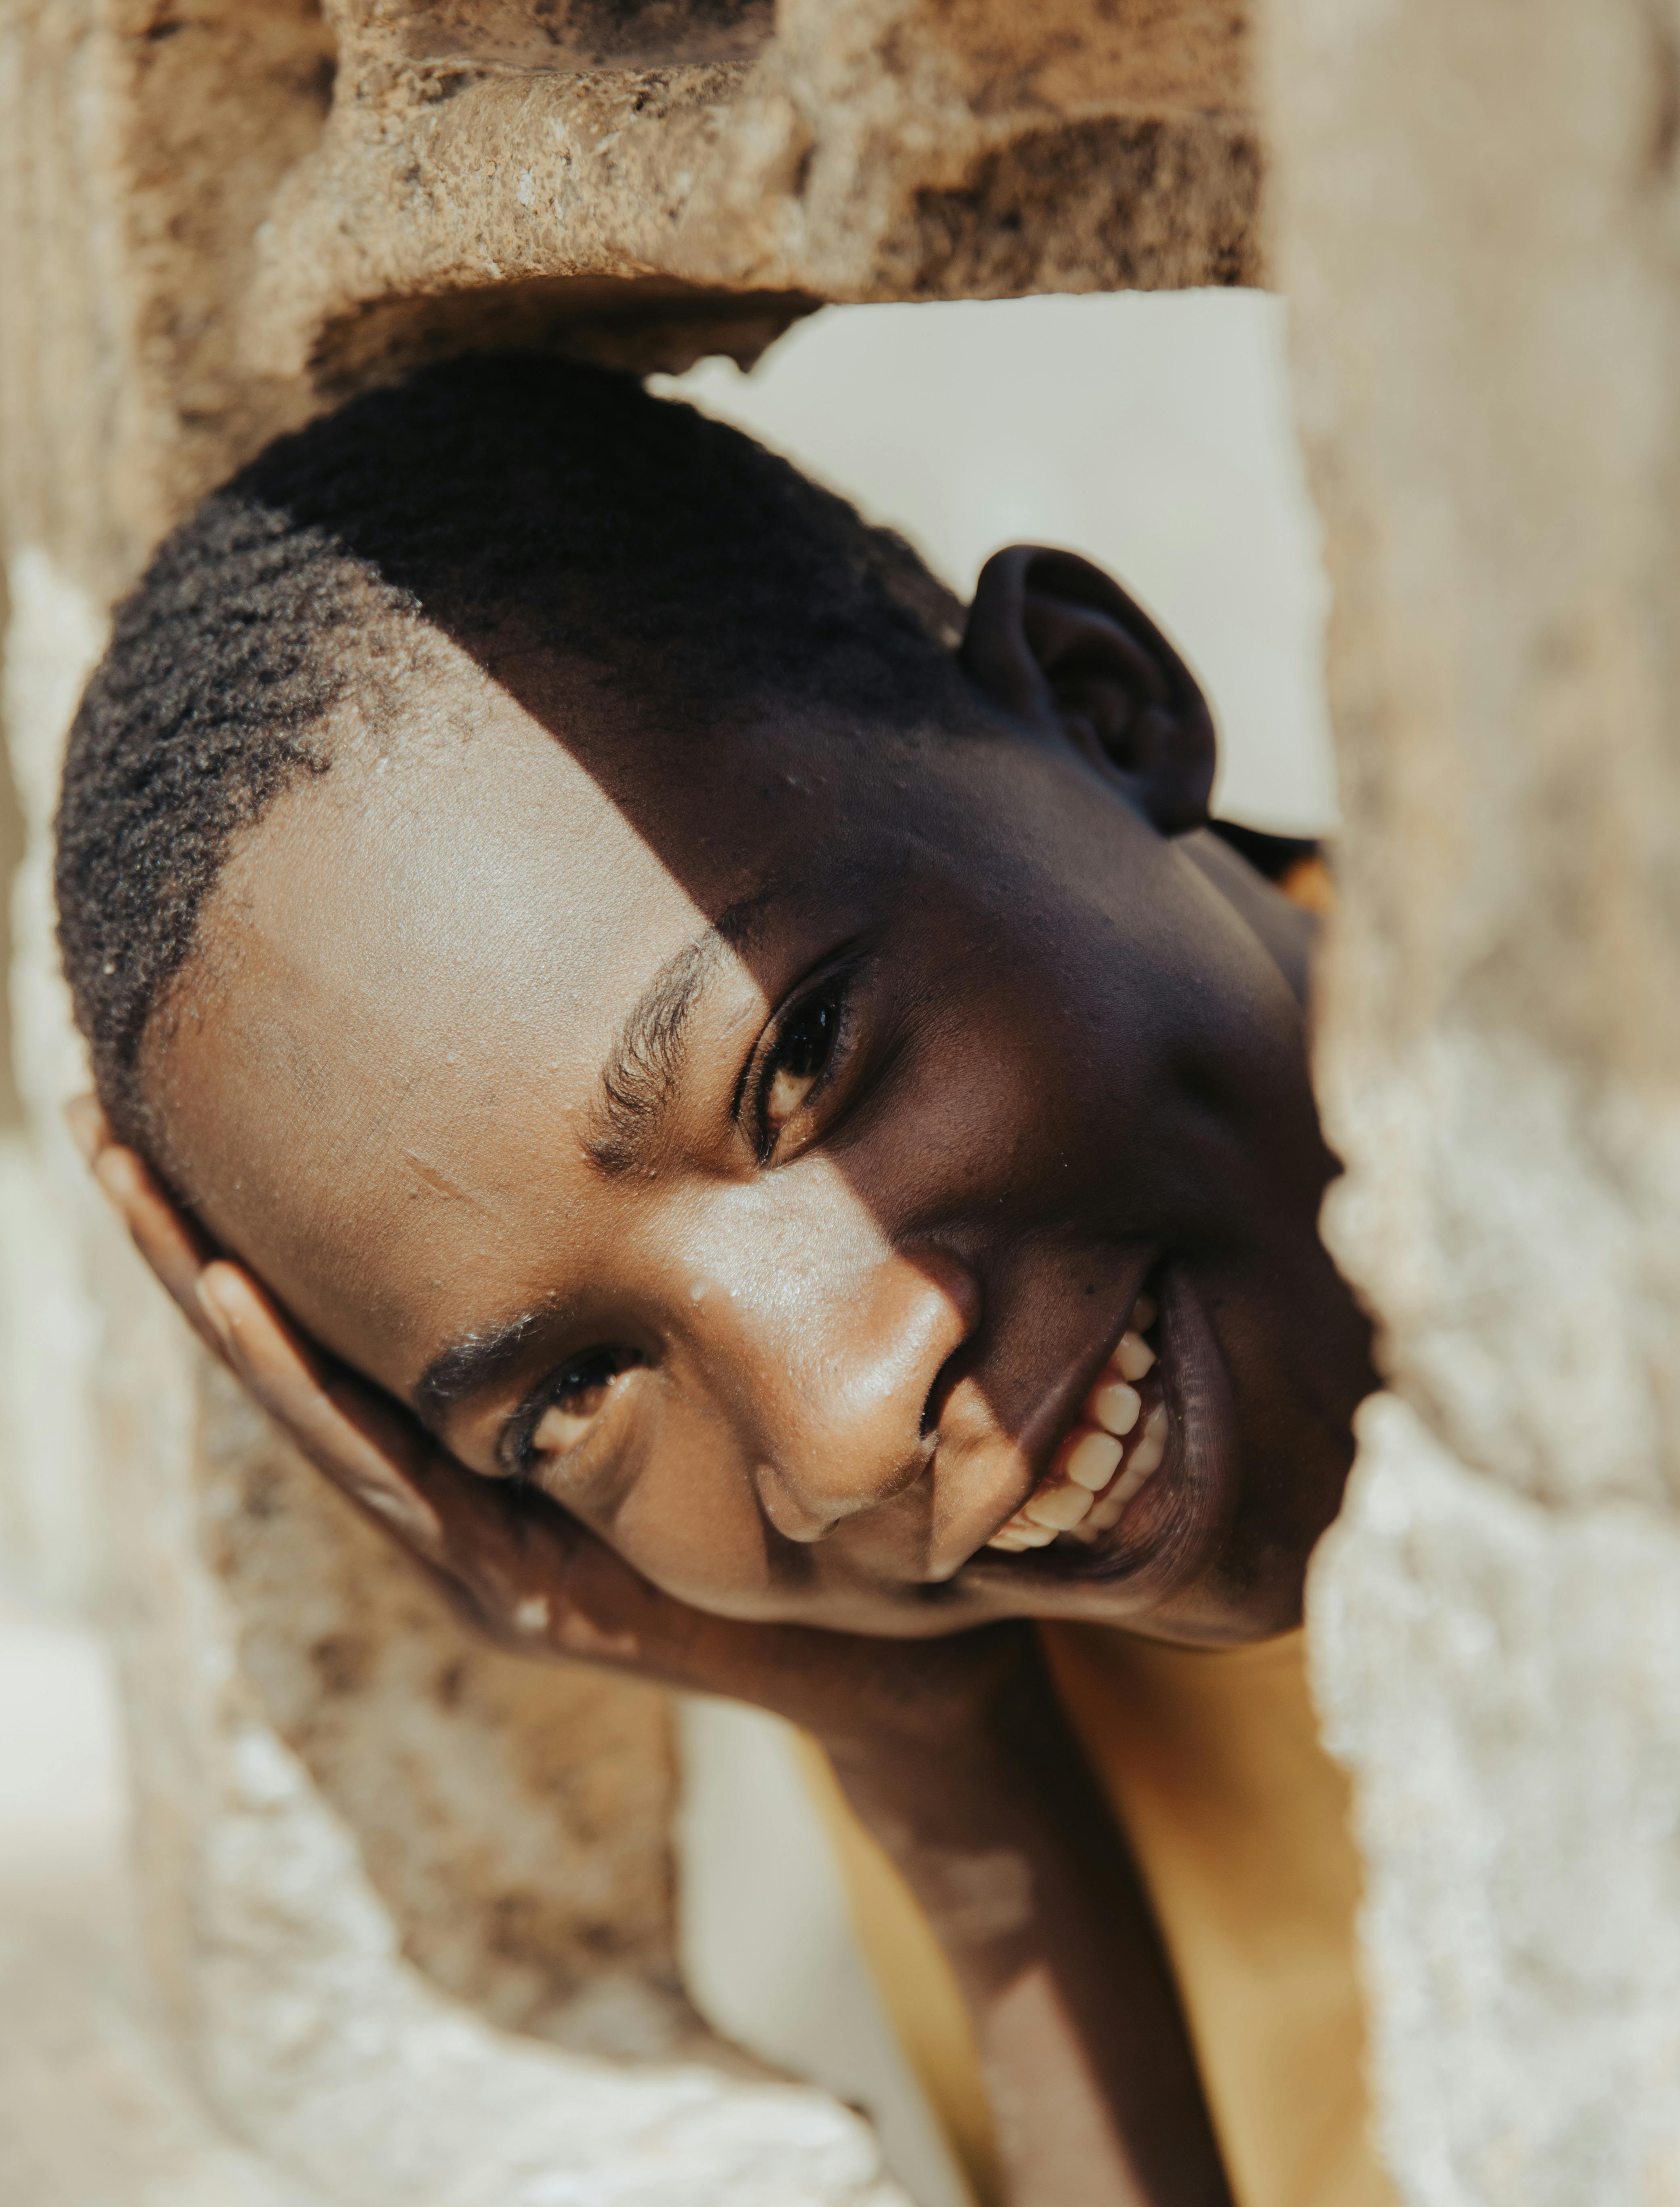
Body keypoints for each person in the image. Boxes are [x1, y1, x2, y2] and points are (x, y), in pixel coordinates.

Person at [55, 353, 1384, 2207]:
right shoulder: (992, 1633)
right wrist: (947, 1770)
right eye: (569, 1394)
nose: (837, 1436)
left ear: (1098, 703)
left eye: (802, 1063)